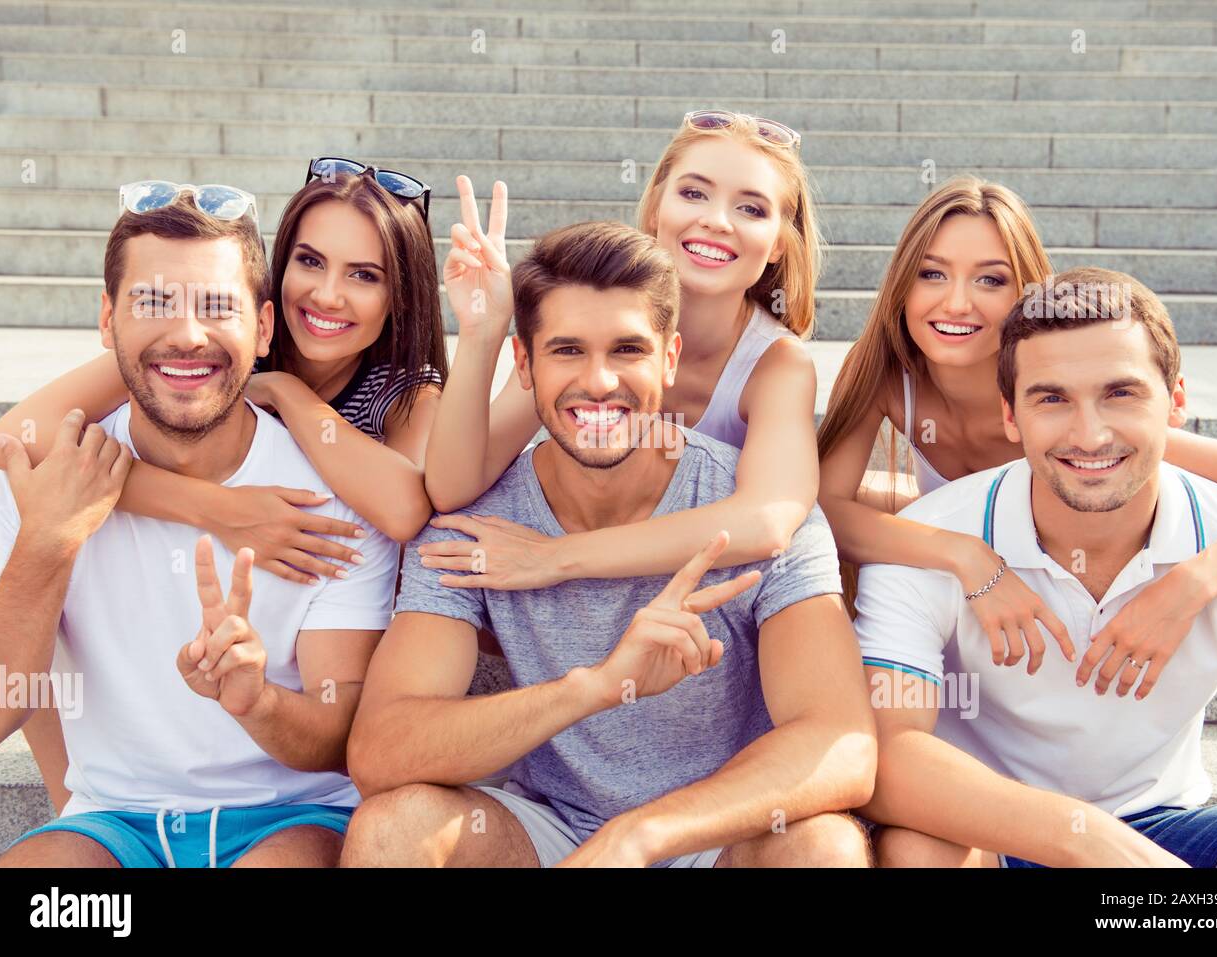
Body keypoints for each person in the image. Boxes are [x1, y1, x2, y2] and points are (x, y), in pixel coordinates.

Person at [341, 221, 876, 868]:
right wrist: (594, 686)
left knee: (826, 847)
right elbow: (380, 751)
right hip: (552, 832)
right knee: (392, 827)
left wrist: (639, 835)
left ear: (669, 359)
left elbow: (842, 746)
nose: (598, 381)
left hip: (714, 833)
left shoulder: (753, 507)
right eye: (567, 350)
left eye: (627, 349)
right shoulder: (480, 524)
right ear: (524, 364)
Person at [0, 164, 444, 812]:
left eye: (365, 275)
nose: (328, 294)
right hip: (120, 759)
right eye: (309, 261)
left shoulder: (402, 389)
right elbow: (11, 442)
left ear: (402, 297)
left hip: (311, 686)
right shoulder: (190, 345)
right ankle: (73, 801)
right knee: (38, 537)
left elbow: (399, 507)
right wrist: (218, 510)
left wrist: (283, 390)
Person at [852, 268, 1217, 868]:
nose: (1090, 433)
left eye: (1120, 393)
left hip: (1166, 825)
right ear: (1010, 415)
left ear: (1176, 401)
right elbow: (889, 755)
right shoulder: (930, 537)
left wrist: (1191, 583)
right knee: (915, 850)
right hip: (991, 830)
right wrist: (1084, 841)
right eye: (1052, 398)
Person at [817, 176, 1217, 698]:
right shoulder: (885, 367)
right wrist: (967, 556)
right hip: (952, 532)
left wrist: (1190, 584)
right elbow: (823, 510)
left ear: (1028, 295)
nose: (956, 303)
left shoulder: (1066, 405)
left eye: (991, 280)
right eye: (931, 274)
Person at [418, 110, 823, 590]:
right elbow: (452, 488)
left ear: (779, 242)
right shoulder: (588, 319)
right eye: (693, 193)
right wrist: (483, 330)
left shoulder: (776, 364)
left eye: (751, 208)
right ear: (655, 209)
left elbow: (768, 521)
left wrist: (556, 558)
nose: (715, 221)